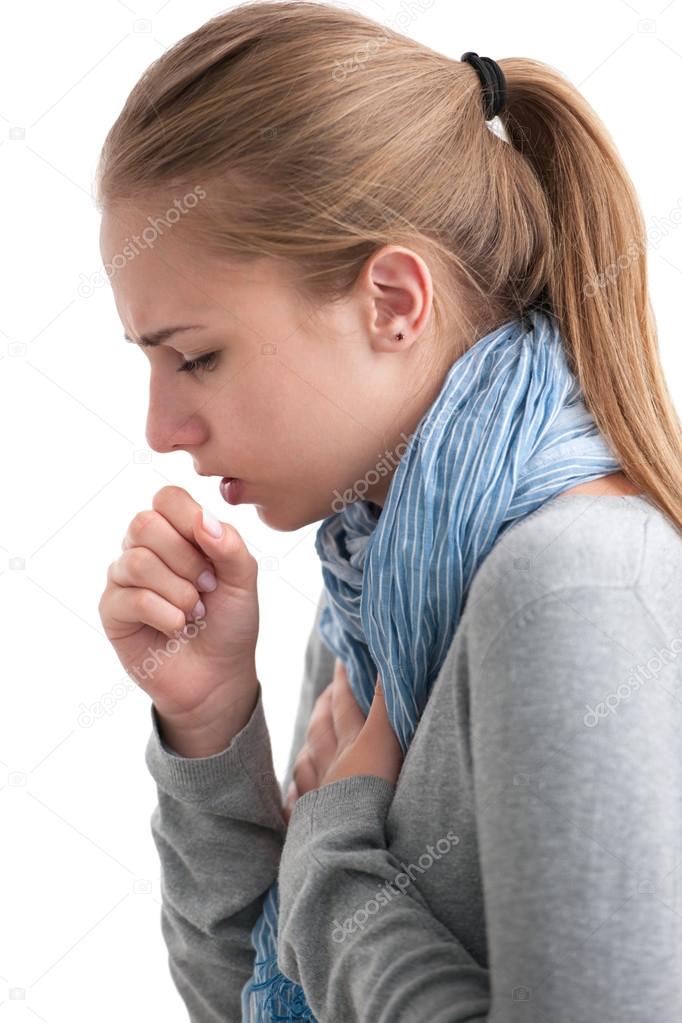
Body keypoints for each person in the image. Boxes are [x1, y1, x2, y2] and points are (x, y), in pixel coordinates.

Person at [96, 3, 682, 1021]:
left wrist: (331, 848)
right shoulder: (376, 584)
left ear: (393, 303)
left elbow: (321, 919)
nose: (160, 426)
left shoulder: (573, 590)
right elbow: (253, 1004)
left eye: (195, 356)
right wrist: (210, 729)